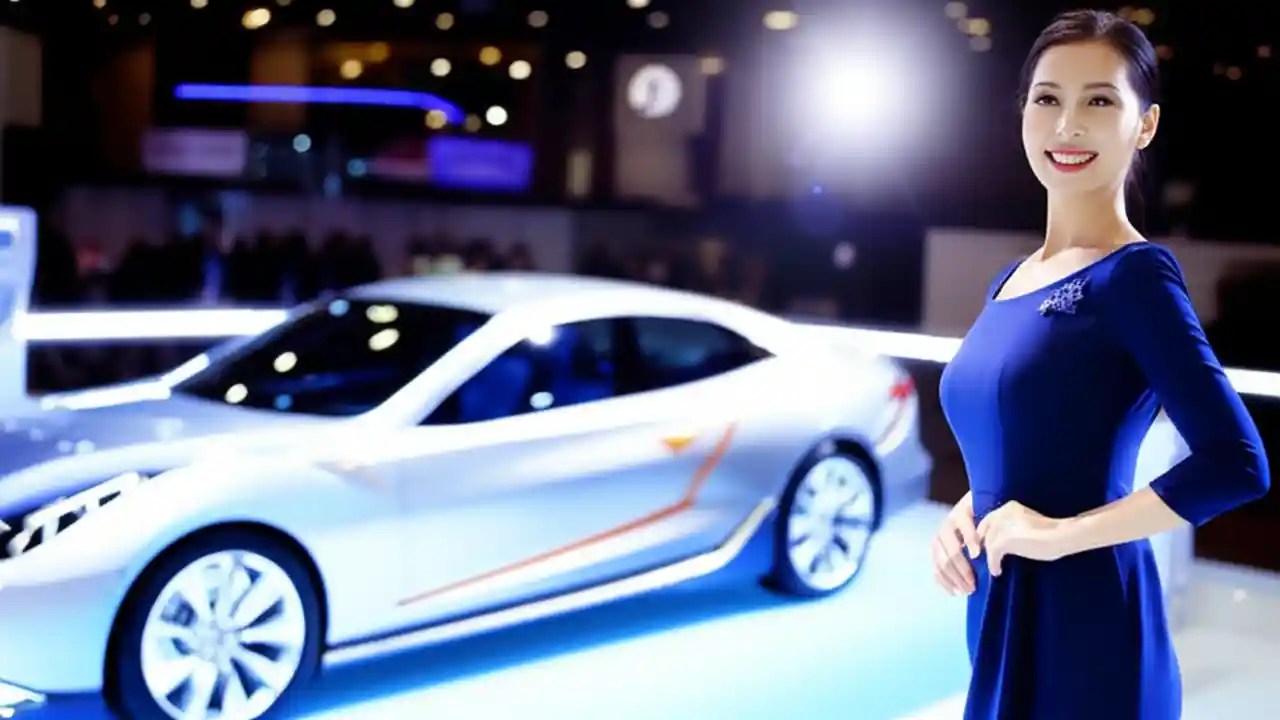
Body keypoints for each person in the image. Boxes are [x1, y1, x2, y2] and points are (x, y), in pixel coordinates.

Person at [934, 9, 1270, 720]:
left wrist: (1059, 536)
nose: (1067, 125)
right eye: (1048, 98)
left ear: (1144, 125)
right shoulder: (1010, 280)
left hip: (1088, 617)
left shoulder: (1136, 277)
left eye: (1099, 101)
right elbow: (1027, 438)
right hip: (999, 600)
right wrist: (968, 514)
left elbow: (1237, 462)